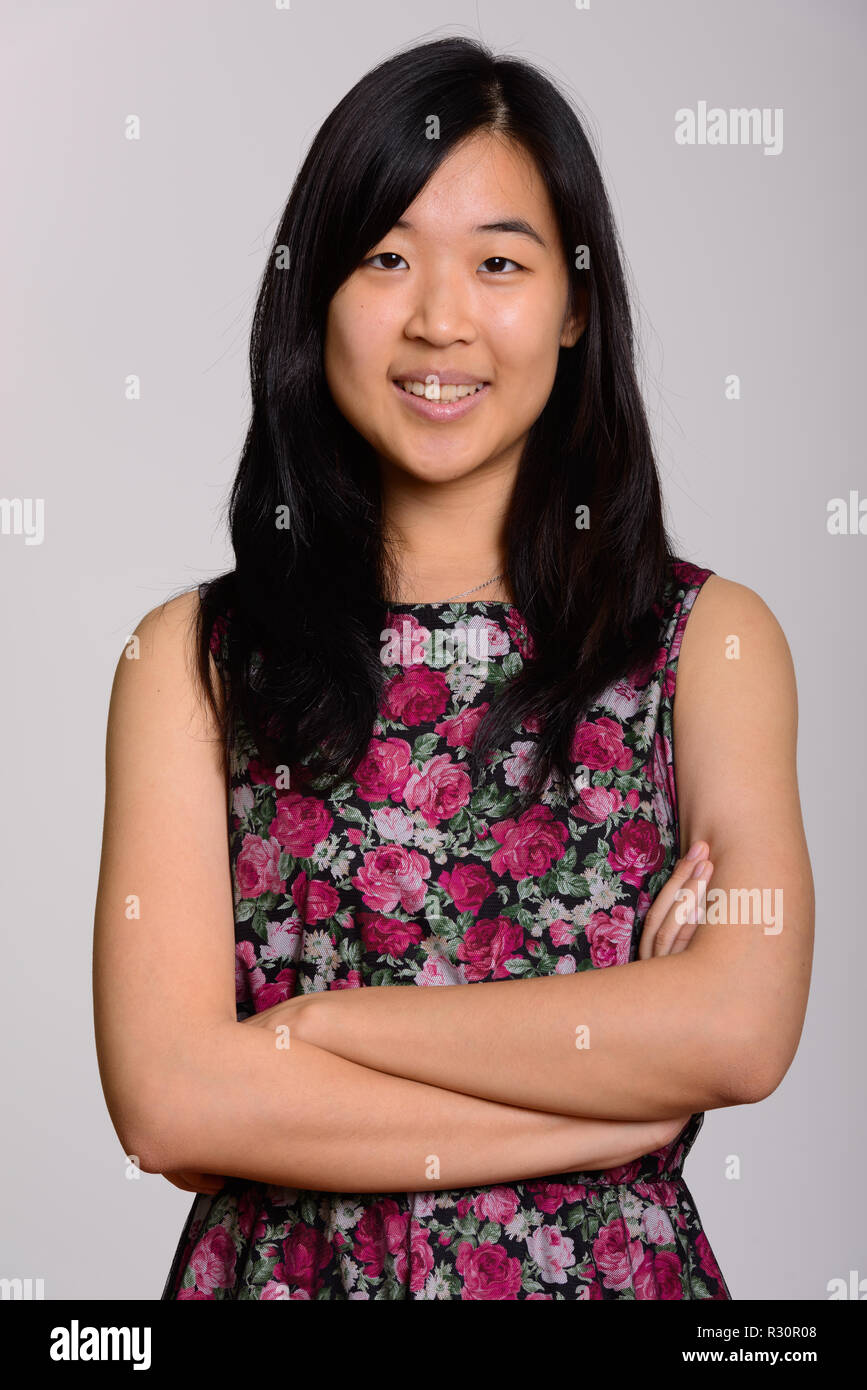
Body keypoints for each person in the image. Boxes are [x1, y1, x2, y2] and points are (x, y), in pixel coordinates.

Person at [93, 36, 814, 1300]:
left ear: (577, 301)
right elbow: (172, 1102)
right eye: (384, 259)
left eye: (498, 263)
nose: (439, 319)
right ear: (315, 292)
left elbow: (738, 1029)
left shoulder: (711, 644)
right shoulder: (189, 662)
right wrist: (616, 1106)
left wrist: (313, 1029)